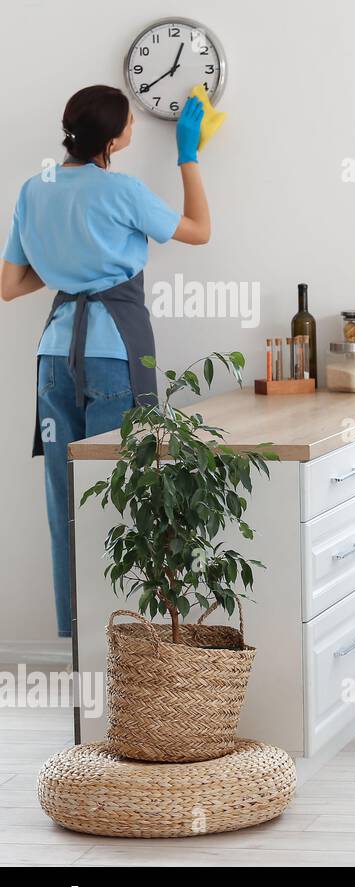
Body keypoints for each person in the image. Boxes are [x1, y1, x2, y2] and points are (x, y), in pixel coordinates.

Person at [1, 85, 211, 640]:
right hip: (113, 357)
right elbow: (199, 231)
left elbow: (11, 285)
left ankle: (76, 646)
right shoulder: (122, 191)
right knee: (117, 498)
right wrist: (187, 156)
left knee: (64, 501)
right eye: (130, 126)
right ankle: (118, 648)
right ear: (114, 139)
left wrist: (69, 262)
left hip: (53, 358)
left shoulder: (33, 189)